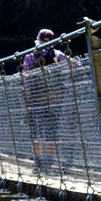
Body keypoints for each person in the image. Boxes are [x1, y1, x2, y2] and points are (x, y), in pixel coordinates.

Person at [22, 29, 67, 175]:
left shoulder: (30, 57)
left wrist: (26, 104)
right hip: (55, 101)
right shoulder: (58, 55)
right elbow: (76, 66)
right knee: (51, 134)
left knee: (36, 133)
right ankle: (48, 164)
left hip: (35, 101)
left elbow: (26, 81)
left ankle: (39, 164)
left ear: (37, 40)